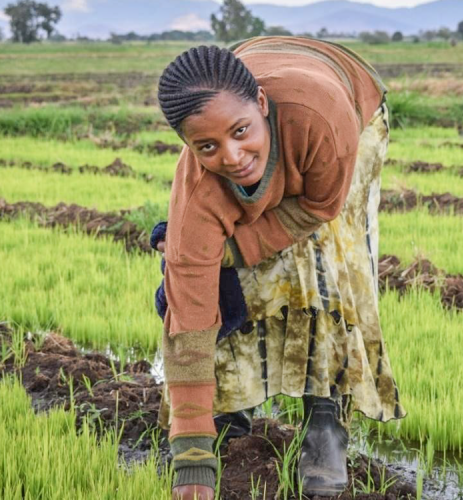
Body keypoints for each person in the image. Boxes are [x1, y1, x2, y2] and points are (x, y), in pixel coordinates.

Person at [153, 36, 406, 500]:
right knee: (217, 276)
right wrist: (192, 457)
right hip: (262, 77)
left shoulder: (320, 120)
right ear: (188, 146)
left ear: (261, 104)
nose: (231, 156)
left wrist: (240, 246)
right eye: (207, 146)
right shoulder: (197, 195)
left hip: (345, 104)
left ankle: (325, 417)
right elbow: (189, 321)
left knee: (324, 256)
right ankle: (229, 404)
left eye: (241, 131)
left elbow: (320, 207)